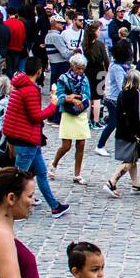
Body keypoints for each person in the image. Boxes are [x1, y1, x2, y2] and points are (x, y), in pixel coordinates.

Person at [3, 58, 70, 218]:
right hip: (27, 138)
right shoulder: (31, 89)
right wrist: (53, 105)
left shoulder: (18, 86)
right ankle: (8, 208)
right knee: (19, 178)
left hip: (26, 137)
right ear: (39, 71)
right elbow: (36, 116)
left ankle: (54, 206)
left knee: (41, 172)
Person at [105, 69, 140, 197]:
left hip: (122, 131)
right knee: (129, 160)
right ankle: (112, 181)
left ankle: (136, 184)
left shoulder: (122, 94)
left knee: (133, 158)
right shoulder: (136, 95)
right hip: (133, 133)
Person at [50, 54, 92, 185]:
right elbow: (59, 96)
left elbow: (88, 95)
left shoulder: (84, 79)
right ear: (72, 66)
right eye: (78, 68)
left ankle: (77, 174)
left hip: (81, 113)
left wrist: (78, 97)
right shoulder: (63, 78)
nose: (80, 71)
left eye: (82, 69)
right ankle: (54, 164)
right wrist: (71, 98)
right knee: (66, 146)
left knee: (81, 145)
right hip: (68, 113)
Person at [95, 39, 132, 155]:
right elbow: (122, 85)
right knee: (113, 123)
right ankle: (100, 145)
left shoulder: (117, 65)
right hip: (113, 99)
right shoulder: (117, 68)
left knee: (118, 122)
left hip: (114, 98)